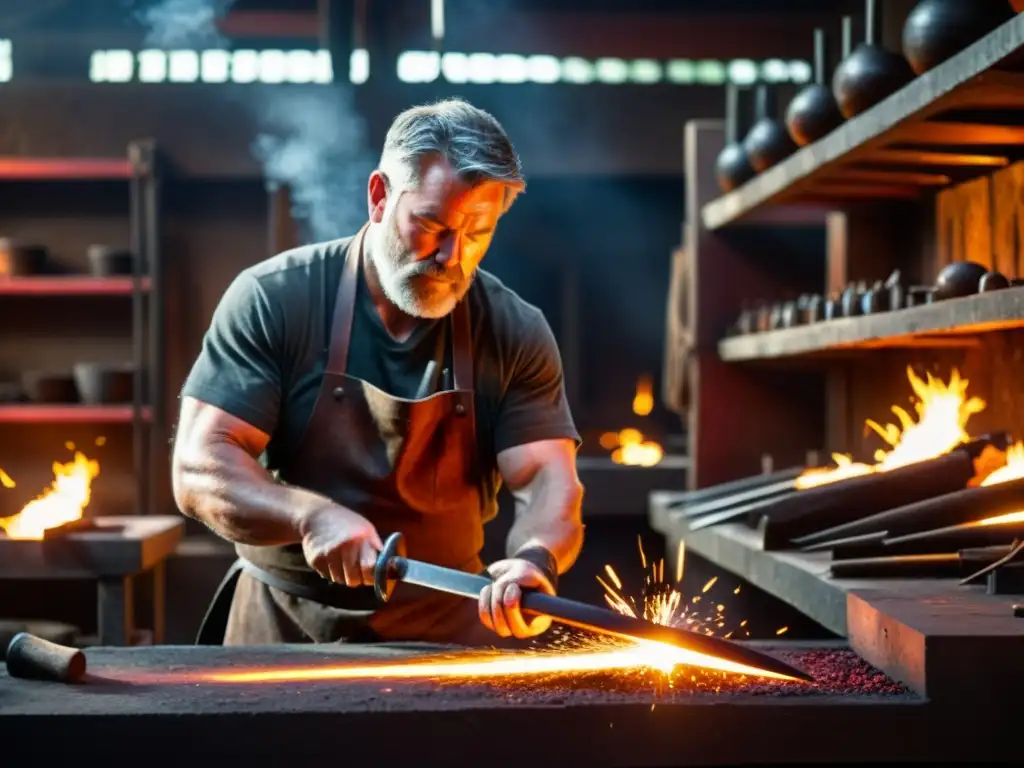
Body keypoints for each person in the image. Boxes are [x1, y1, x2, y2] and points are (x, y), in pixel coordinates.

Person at [172, 98, 585, 647]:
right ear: (379, 197)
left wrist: (537, 559)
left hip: (445, 636)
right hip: (283, 626)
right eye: (430, 224)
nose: (451, 256)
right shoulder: (275, 299)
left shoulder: (513, 328)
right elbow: (200, 468)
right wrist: (306, 515)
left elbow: (547, 480)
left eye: (477, 233)